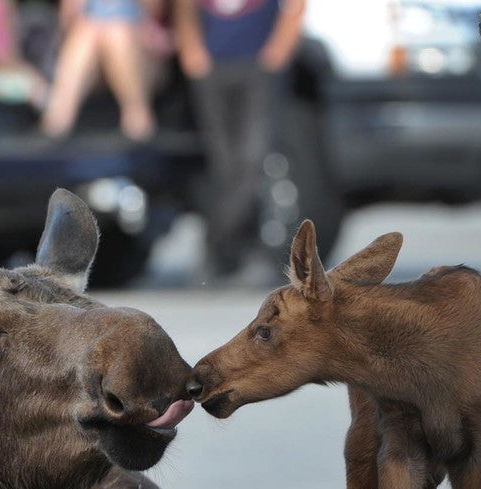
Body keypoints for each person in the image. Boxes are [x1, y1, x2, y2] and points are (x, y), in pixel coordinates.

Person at [173, 0, 305, 282]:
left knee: (253, 158)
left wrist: (280, 47)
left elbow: (296, 6)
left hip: (258, 64)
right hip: (213, 65)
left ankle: (218, 246)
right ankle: (237, 251)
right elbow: (184, 7)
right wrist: (191, 47)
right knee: (223, 163)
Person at [41, 0, 163, 141]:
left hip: (141, 60)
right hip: (90, 61)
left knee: (116, 33)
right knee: (87, 31)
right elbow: (67, 23)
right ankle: (57, 122)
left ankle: (138, 122)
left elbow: (153, 17)